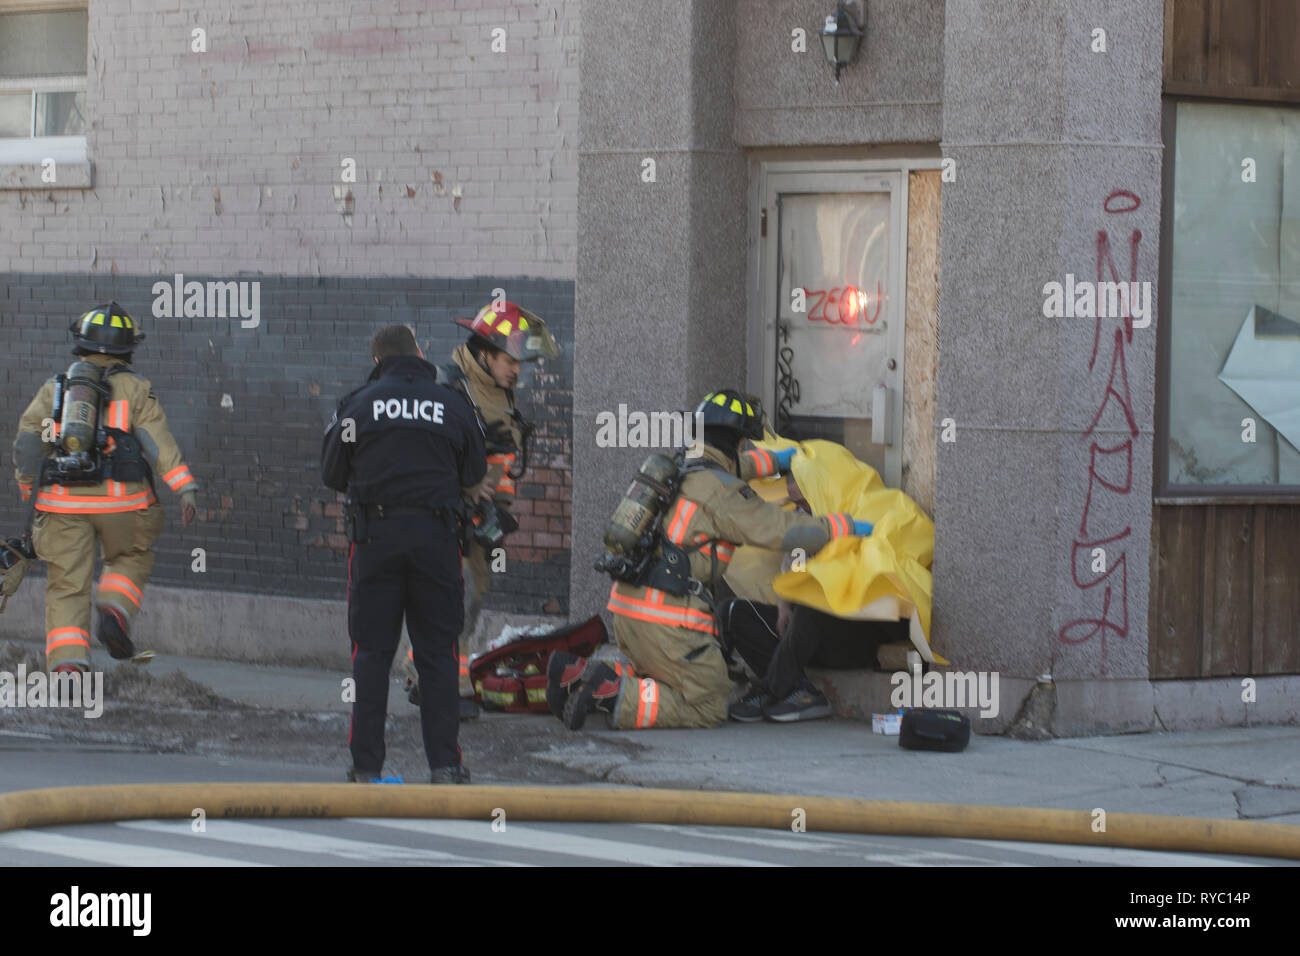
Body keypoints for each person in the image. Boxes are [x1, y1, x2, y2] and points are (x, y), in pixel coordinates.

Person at [548, 389, 872, 731]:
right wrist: (843, 525)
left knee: (663, 677)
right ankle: (615, 696)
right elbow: (780, 530)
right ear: (735, 442)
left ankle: (579, 676)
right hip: (666, 620)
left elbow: (737, 465)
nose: (748, 451)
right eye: (746, 443)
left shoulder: (683, 469)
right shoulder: (724, 493)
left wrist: (778, 462)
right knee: (708, 702)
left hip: (629, 612)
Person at [321, 323, 486, 784]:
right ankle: (445, 766)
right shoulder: (453, 403)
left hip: (375, 539)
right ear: (419, 352)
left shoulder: (357, 405)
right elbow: (474, 469)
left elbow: (331, 472)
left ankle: (366, 767)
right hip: (436, 541)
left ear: (377, 362)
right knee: (437, 655)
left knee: (371, 654)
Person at [12, 302, 197, 674]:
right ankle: (114, 609)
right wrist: (184, 487)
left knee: (67, 586)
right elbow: (156, 441)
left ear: (80, 344)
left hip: (62, 506)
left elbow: (30, 441)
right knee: (131, 556)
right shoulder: (135, 389)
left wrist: (27, 484)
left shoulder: (56, 389)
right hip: (124, 504)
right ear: (128, 349)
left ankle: (68, 668)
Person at [401, 300, 558, 719]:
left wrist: (498, 509)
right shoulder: (448, 387)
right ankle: (445, 688)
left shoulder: (497, 394)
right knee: (457, 596)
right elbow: (427, 454)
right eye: (510, 360)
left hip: (480, 523)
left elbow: (500, 463)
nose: (517, 370)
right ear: (485, 353)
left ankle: (428, 674)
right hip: (446, 517)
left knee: (468, 599)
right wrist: (465, 494)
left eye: (521, 362)